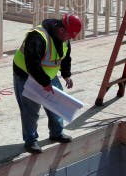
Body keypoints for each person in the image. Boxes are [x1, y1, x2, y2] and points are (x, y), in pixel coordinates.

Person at [12, 13, 82, 154]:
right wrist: (44, 83)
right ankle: (30, 141)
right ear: (61, 30)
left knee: (56, 105)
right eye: (69, 35)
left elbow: (65, 57)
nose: (69, 39)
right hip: (26, 75)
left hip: (48, 75)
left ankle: (56, 133)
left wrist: (66, 75)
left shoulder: (64, 38)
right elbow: (32, 65)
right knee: (30, 111)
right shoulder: (37, 37)